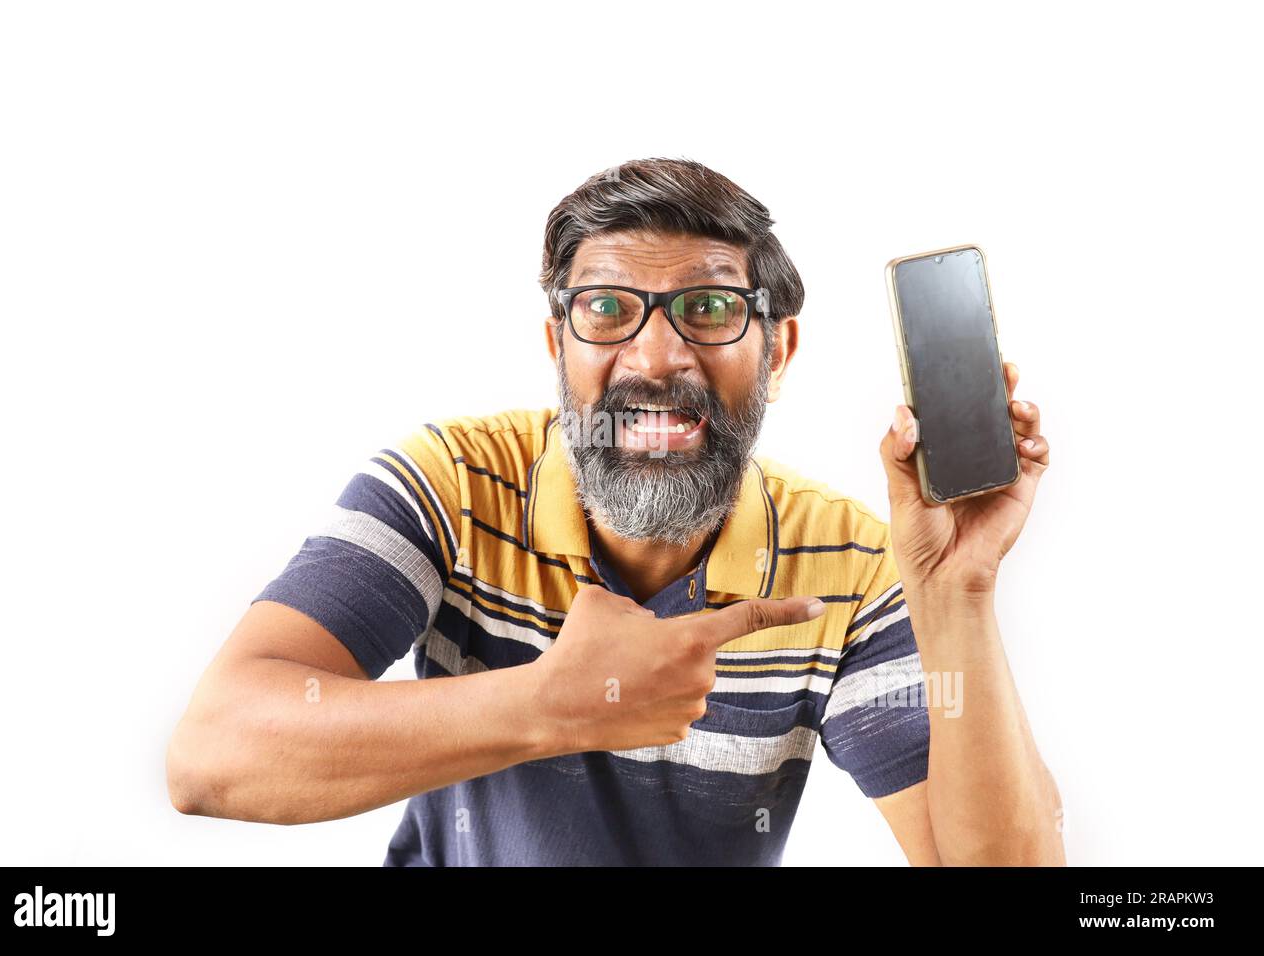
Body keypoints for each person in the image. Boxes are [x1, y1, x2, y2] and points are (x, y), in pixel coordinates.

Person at [166, 157, 1064, 866]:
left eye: (710, 307)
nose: (655, 357)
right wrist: (557, 706)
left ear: (779, 350)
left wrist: (958, 594)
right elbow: (214, 753)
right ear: (558, 341)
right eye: (606, 309)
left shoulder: (849, 568)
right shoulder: (452, 485)